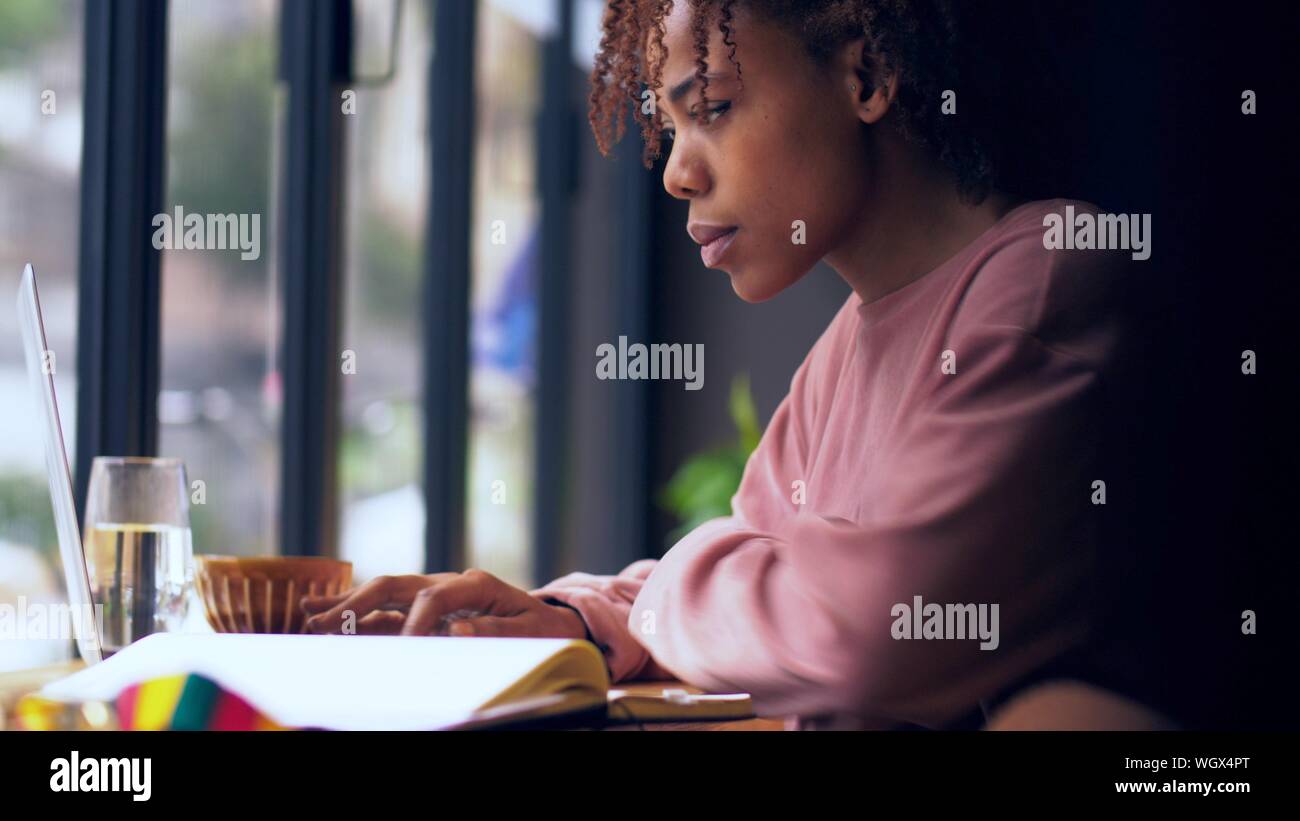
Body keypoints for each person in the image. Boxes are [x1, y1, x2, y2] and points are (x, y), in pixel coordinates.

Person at [301, 0, 1147, 730]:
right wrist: (577, 619)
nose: (675, 172)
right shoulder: (848, 349)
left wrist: (683, 593)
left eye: (710, 108)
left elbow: (871, 630)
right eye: (671, 130)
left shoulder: (1045, 275)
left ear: (866, 76)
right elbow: (764, 576)